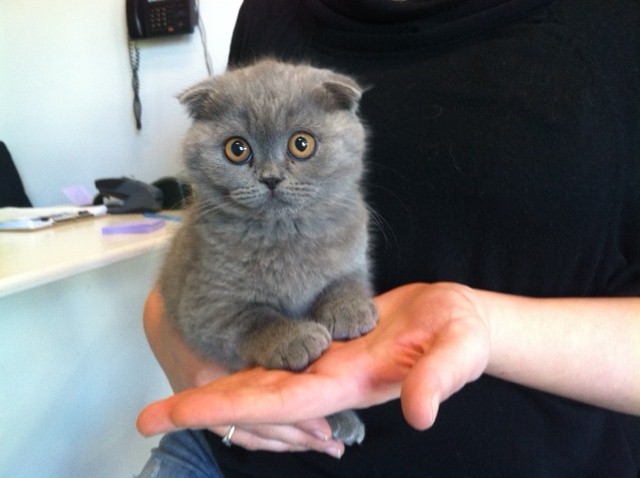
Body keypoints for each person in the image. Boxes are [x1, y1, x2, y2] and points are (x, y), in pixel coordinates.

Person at [137, 0, 640, 476]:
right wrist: (187, 350)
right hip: (241, 453)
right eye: (244, 151)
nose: (271, 174)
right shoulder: (272, 13)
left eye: (301, 144)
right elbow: (189, 276)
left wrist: (485, 326)